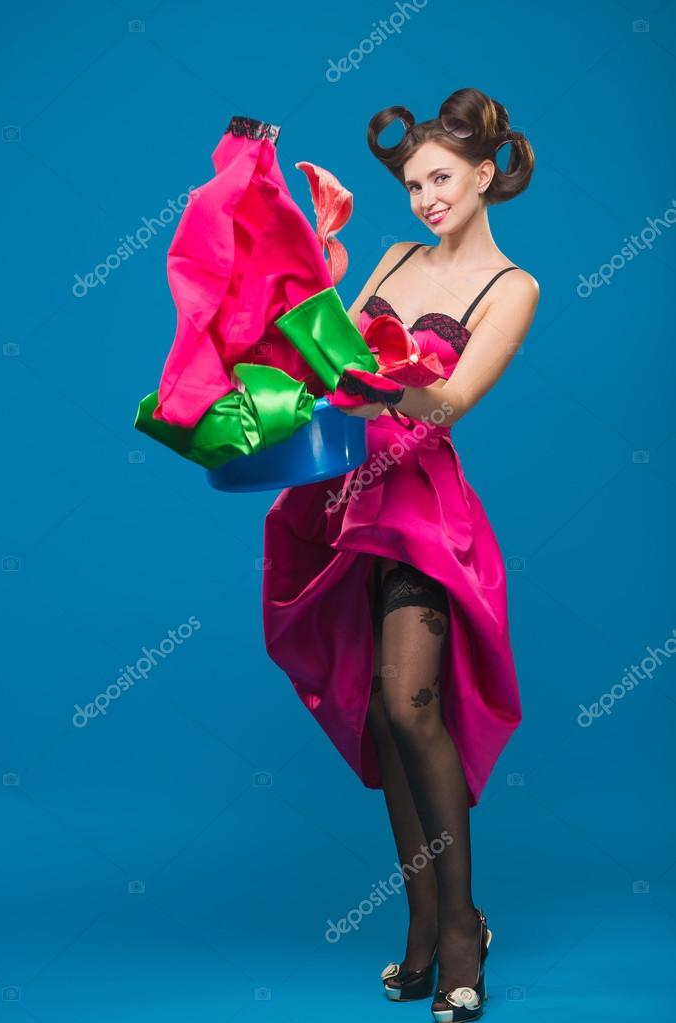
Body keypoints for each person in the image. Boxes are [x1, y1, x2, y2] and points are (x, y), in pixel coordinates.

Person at [262, 86, 539, 1022]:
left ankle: (464, 928)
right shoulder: (391, 255)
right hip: (344, 492)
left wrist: (369, 374)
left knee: (408, 701)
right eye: (414, 182)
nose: (425, 197)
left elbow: (448, 401)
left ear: (483, 176)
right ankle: (422, 927)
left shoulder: (513, 287)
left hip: (421, 506)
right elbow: (326, 352)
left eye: (440, 179)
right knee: (381, 717)